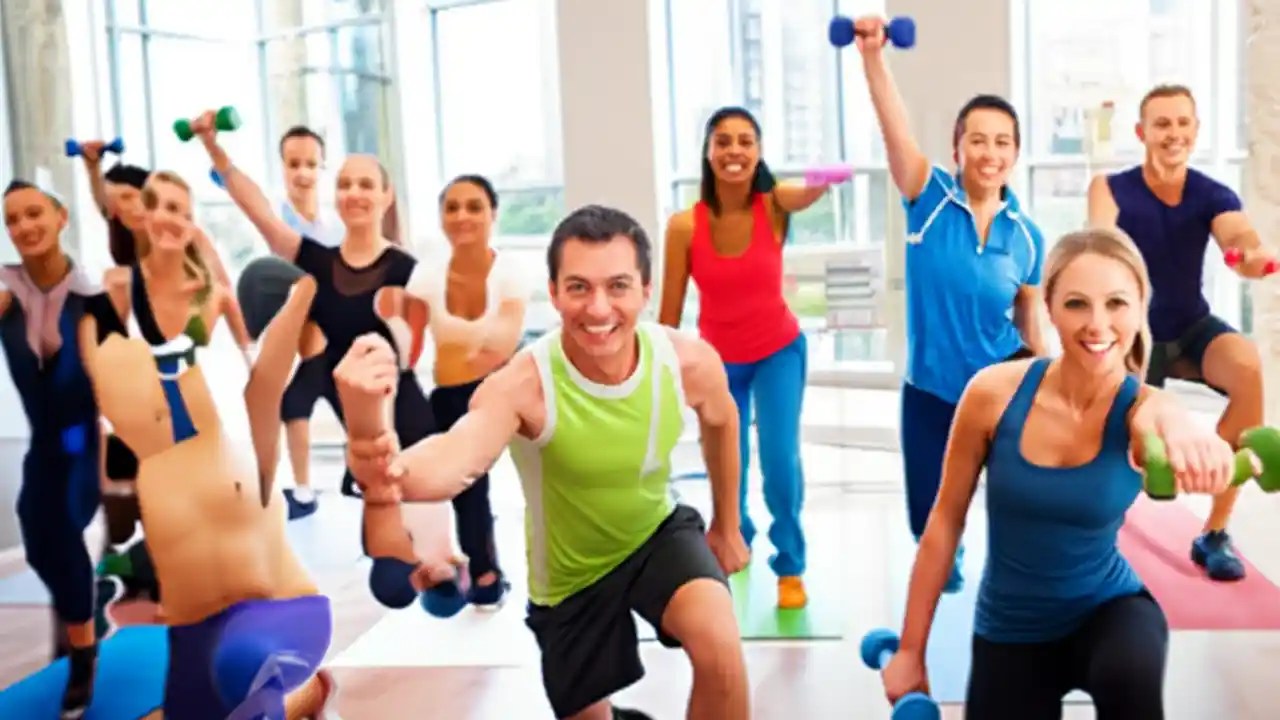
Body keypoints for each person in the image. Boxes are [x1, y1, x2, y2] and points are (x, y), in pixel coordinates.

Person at [337, 205, 751, 720]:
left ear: (647, 290)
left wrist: (727, 526)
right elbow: (453, 460)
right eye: (578, 288)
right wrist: (372, 449)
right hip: (568, 578)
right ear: (553, 294)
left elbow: (723, 419)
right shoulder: (523, 383)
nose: (599, 309)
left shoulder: (686, 362)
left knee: (721, 649)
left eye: (618, 286)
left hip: (656, 534)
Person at [881, 227, 1234, 719]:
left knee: (1129, 675)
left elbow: (1164, 417)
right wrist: (910, 650)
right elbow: (944, 524)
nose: (1097, 324)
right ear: (1048, 307)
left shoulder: (1145, 409)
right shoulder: (993, 394)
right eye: (1076, 304)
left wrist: (1191, 436)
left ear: (1139, 308)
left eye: (1116, 304)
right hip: (1010, 627)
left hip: (1109, 612)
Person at [191, 108, 452, 608]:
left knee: (426, 544)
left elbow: (414, 344)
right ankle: (416, 558)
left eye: (366, 184)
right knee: (387, 566)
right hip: (358, 421)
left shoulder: (406, 268)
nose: (354, 193)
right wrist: (213, 148)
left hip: (405, 416)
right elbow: (259, 211)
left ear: (385, 197)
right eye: (346, 183)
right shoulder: (314, 258)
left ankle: (447, 562)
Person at [81, 269, 336, 719]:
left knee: (241, 665)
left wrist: (302, 297)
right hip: (193, 641)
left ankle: (294, 691)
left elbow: (268, 375)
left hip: (275, 618)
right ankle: (307, 695)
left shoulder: (214, 434)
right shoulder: (144, 472)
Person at [855, 14, 1046, 592]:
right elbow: (894, 125)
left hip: (1001, 387)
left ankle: (1021, 582)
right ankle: (949, 557)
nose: (990, 152)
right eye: (978, 140)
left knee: (1020, 501)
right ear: (957, 148)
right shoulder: (928, 195)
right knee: (928, 516)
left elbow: (1030, 319)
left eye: (1003, 142)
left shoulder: (1028, 235)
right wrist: (872, 56)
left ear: (1015, 153)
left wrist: (1054, 382)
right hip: (933, 389)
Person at [659, 107, 848, 610]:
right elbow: (669, 315)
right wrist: (660, 374)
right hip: (717, 363)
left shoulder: (774, 205)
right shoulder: (683, 227)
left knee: (780, 461)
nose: (734, 152)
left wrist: (824, 177)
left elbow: (804, 192)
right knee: (727, 462)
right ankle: (731, 541)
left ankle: (790, 564)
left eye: (746, 141)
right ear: (708, 152)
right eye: (724, 142)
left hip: (778, 352)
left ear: (758, 152)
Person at [1086, 83, 1272, 582]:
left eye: (1182, 124)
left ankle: (1213, 532)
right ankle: (1100, 533)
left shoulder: (1212, 194)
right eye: (1162, 124)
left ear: (1195, 131)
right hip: (1133, 335)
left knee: (1248, 367)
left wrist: (1250, 256)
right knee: (1113, 428)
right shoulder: (1111, 189)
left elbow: (1238, 235)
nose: (1173, 134)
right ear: (1142, 132)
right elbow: (1102, 240)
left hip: (1189, 329)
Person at [0, 179, 128, 717]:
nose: (25, 227)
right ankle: (93, 603)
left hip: (81, 442)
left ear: (61, 218)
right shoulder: (5, 292)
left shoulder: (91, 296)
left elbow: (124, 372)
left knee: (57, 523)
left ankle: (83, 657)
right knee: (36, 543)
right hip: (41, 445)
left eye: (34, 214)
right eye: (12, 220)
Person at [398, 174, 528, 609]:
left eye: (474, 207)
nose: (462, 216)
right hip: (451, 395)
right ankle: (479, 571)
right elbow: (409, 347)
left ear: (493, 214)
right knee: (463, 490)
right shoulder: (427, 274)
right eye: (451, 208)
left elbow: (501, 347)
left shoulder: (509, 272)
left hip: (505, 394)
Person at [270, 125, 342, 519]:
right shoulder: (279, 223)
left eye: (310, 164)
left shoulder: (336, 227)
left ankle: (305, 490)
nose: (302, 172)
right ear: (282, 167)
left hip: (336, 338)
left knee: (299, 404)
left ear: (321, 167)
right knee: (295, 405)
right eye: (293, 164)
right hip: (305, 335)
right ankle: (302, 488)